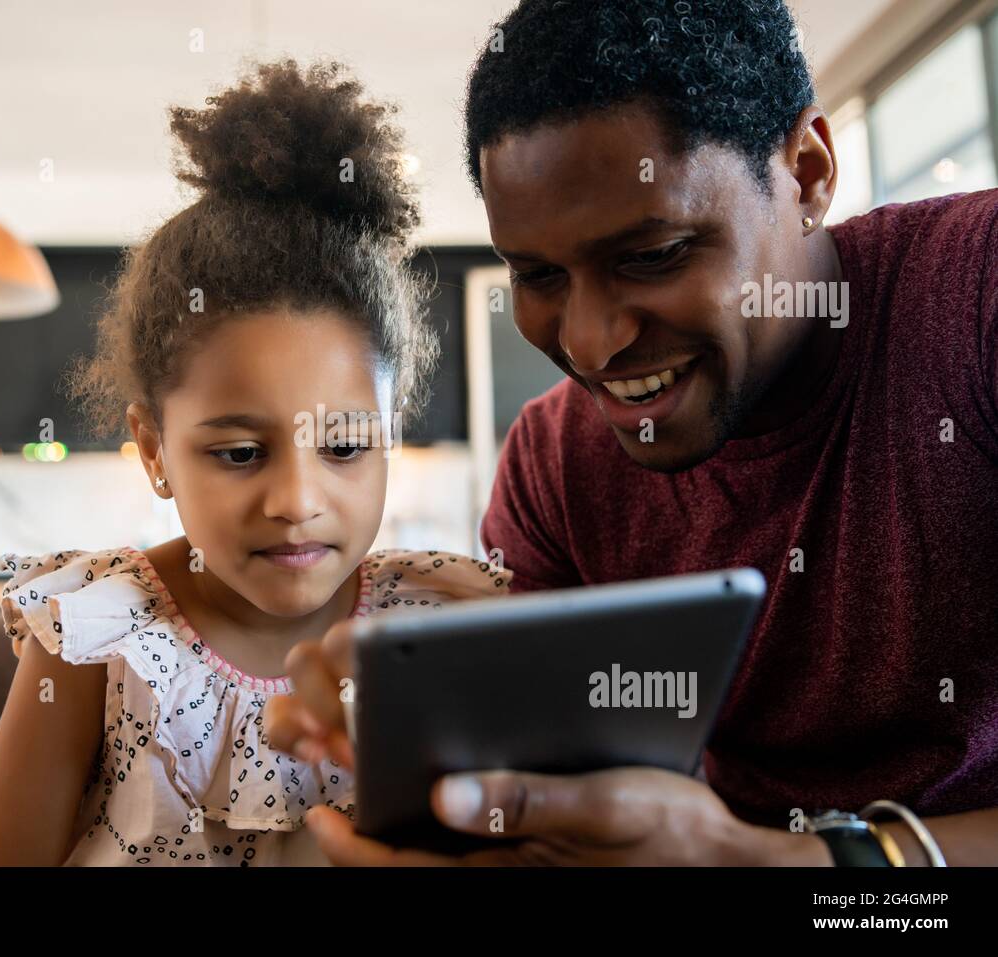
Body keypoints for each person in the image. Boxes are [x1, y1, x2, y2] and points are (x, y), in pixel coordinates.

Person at [267, 0, 998, 865]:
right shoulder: (551, 467)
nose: (588, 342)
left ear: (805, 173)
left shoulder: (974, 300)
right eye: (538, 275)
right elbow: (577, 807)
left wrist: (803, 870)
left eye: (653, 256)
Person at [0, 60, 510, 867]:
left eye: (346, 446)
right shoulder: (98, 641)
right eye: (241, 452)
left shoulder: (441, 624)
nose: (296, 499)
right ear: (154, 451)